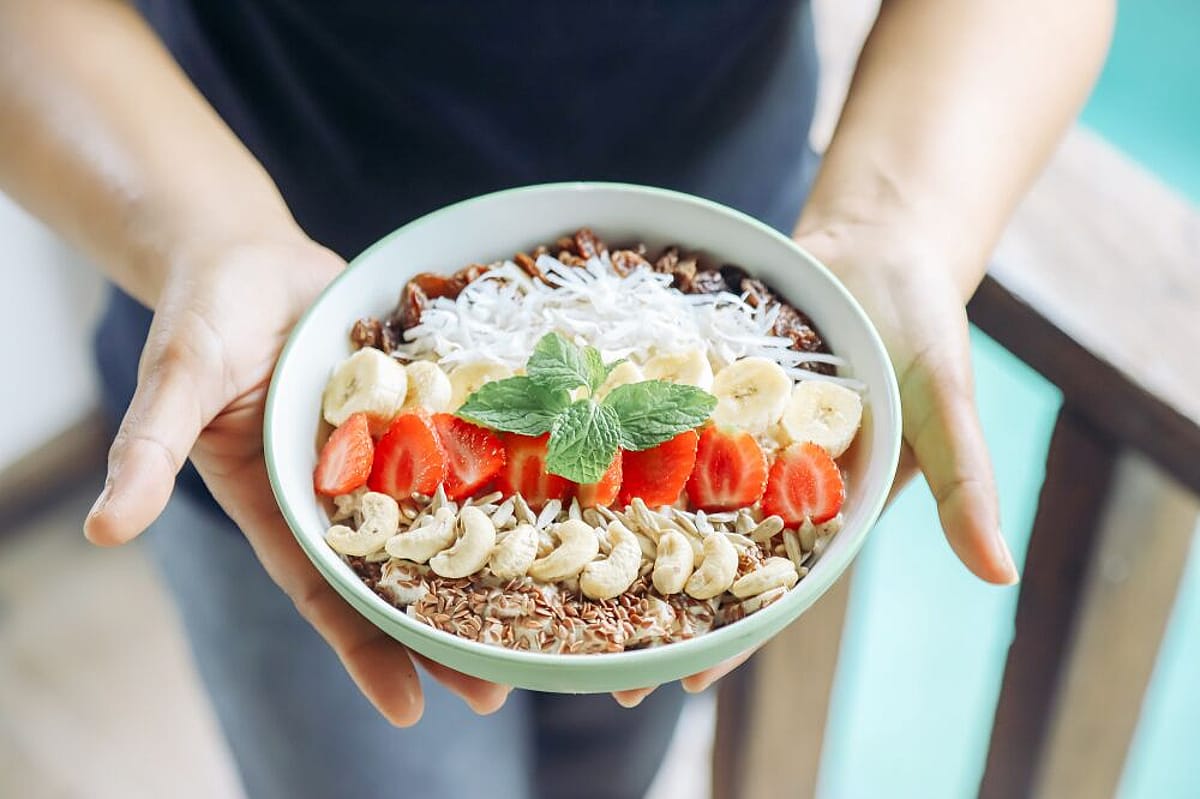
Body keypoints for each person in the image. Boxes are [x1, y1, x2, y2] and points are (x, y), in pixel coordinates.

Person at [0, 1, 1113, 797]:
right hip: (258, 360)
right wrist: (208, 234)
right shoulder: (346, 405)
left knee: (614, 766)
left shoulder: (744, 427)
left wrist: (894, 224)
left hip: (748, 285)